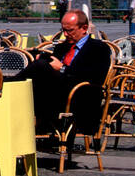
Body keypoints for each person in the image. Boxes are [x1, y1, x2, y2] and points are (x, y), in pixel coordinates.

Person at [12, 10, 111, 143]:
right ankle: (10, 98)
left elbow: (94, 78)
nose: (65, 34)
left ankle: (5, 87)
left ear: (84, 28)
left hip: (80, 96)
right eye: (63, 30)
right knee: (37, 68)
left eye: (69, 30)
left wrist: (63, 68)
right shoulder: (62, 47)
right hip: (54, 93)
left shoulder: (98, 48)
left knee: (39, 67)